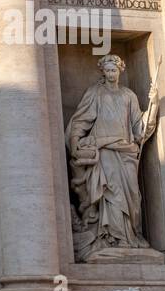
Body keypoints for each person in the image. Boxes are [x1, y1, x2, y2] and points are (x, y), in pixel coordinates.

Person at [66, 55, 159, 259]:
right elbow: (80, 121)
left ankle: (130, 236)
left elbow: (139, 129)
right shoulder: (95, 93)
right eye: (107, 70)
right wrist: (75, 142)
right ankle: (111, 238)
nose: (111, 74)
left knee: (132, 197)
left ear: (120, 71)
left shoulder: (129, 96)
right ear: (103, 72)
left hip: (126, 152)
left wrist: (153, 106)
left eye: (114, 70)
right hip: (105, 151)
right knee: (111, 193)